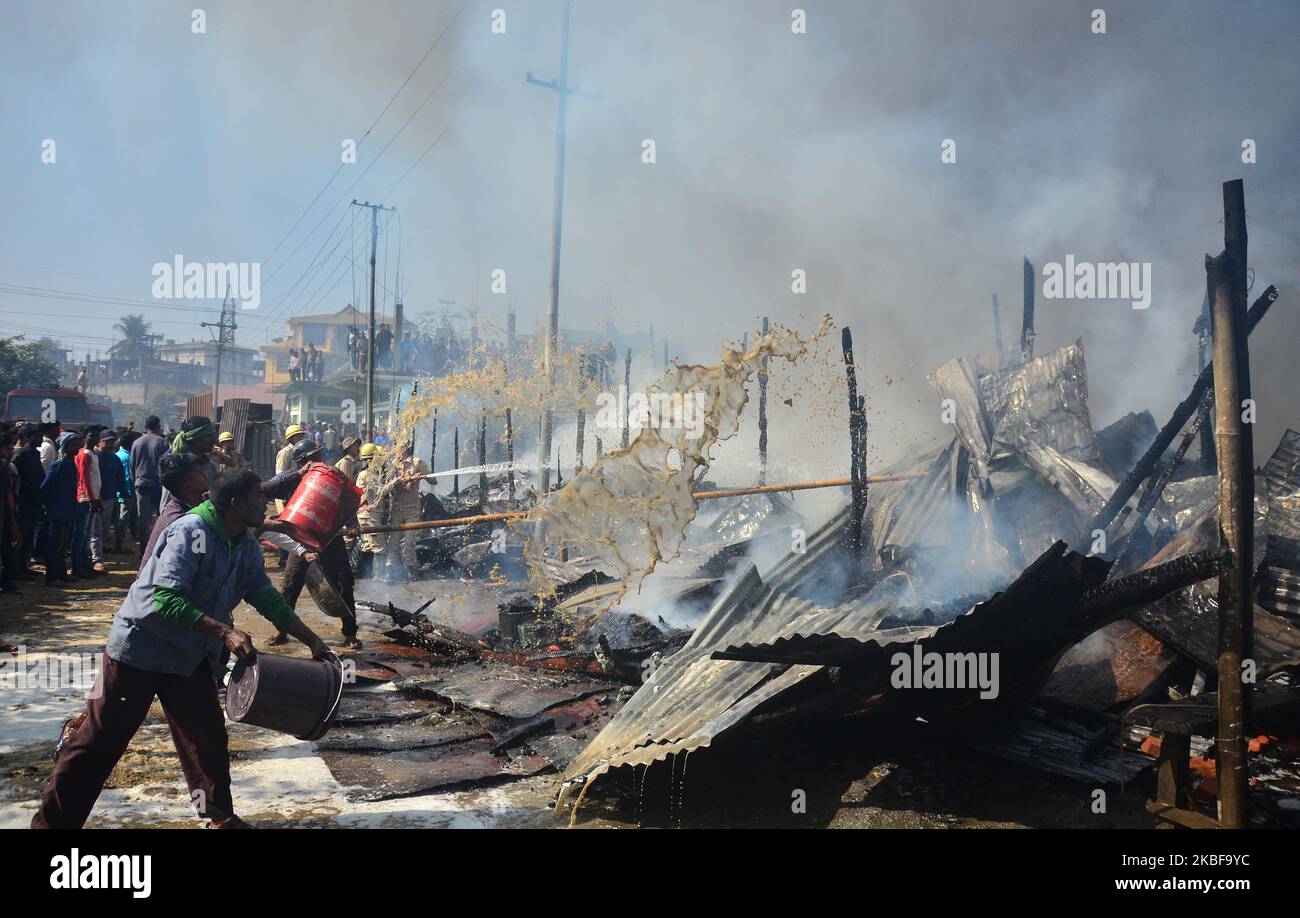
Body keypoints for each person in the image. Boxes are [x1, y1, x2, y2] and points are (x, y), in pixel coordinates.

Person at [31, 468, 334, 829]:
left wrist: (312, 640)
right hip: (138, 650)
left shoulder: (245, 542)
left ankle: (218, 816)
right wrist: (224, 632)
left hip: (188, 656)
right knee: (98, 741)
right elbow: (166, 598)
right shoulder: (190, 532)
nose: (265, 502)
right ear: (236, 503)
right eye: (257, 495)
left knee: (205, 739)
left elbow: (265, 597)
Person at [264, 442, 362, 651]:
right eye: (311, 458)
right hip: (300, 538)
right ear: (301, 462)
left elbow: (345, 501)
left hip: (330, 538)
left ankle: (350, 632)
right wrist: (298, 474)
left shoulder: (331, 477)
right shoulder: (292, 479)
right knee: (291, 585)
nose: (316, 461)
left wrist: (352, 523)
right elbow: (272, 489)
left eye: (318, 456)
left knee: (343, 583)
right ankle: (282, 629)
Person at [40, 432, 81, 585]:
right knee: (55, 545)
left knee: (62, 545)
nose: (76, 448)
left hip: (67, 511)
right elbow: (45, 486)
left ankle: (62, 575)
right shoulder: (60, 464)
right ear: (65, 447)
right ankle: (52, 577)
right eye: (73, 445)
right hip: (57, 511)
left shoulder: (71, 464)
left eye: (78, 444)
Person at [130, 415, 170, 561]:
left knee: (143, 520)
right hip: (158, 485)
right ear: (158, 427)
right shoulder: (162, 442)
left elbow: (132, 465)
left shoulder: (137, 442)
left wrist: (135, 481)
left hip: (141, 484)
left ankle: (144, 551)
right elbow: (166, 465)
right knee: (162, 516)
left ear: (146, 427)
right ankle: (160, 548)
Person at [385, 443, 427, 582]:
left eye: (397, 449)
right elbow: (386, 487)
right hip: (396, 509)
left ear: (404, 450)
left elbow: (434, 480)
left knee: (410, 541)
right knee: (393, 542)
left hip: (412, 509)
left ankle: (410, 570)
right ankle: (390, 571)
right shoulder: (393, 465)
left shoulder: (418, 462)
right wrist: (397, 481)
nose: (395, 452)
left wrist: (422, 476)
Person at [354, 443, 388, 579]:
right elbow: (381, 491)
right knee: (379, 548)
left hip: (366, 515)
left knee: (368, 546)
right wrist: (396, 481)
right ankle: (379, 577)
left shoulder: (368, 474)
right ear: (371, 459)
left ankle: (363, 575)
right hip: (370, 516)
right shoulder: (367, 474)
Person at [14, 427, 45, 573]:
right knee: (23, 534)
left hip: (34, 500)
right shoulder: (21, 454)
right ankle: (18, 567)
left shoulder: (35, 453)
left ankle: (24, 565)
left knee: (29, 535)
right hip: (24, 501)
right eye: (37, 436)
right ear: (28, 438)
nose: (40, 439)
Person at [73, 428, 103, 577]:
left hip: (94, 498)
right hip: (85, 499)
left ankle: (86, 565)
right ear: (85, 436)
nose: (94, 438)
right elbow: (84, 479)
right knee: (82, 534)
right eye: (91, 435)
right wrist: (92, 499)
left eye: (96, 436)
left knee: (88, 534)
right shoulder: (84, 455)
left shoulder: (93, 454)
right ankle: (78, 567)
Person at [95, 431, 126, 559]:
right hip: (95, 499)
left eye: (111, 442)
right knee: (95, 528)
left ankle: (100, 549)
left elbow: (120, 478)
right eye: (106, 442)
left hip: (109, 498)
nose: (109, 445)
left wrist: (125, 494)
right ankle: (95, 557)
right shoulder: (94, 457)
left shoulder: (115, 459)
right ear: (99, 442)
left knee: (105, 527)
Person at [115, 431, 137, 554]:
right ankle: (118, 545)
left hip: (118, 492)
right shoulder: (128, 457)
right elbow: (128, 477)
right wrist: (128, 494)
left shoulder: (118, 454)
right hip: (126, 493)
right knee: (123, 519)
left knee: (120, 518)